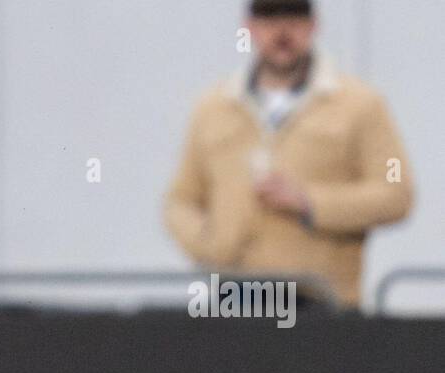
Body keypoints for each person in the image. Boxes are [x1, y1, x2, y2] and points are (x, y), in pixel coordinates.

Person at [164, 0, 413, 309]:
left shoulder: (359, 105)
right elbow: (180, 200)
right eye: (269, 17)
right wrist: (210, 243)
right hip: (237, 295)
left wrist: (310, 202)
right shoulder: (215, 107)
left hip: (323, 299)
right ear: (250, 27)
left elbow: (395, 192)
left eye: (294, 17)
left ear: (313, 25)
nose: (282, 31)